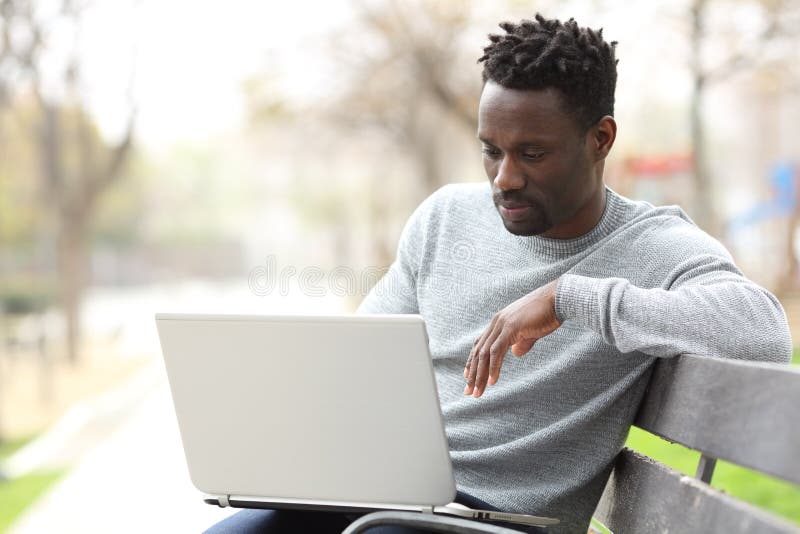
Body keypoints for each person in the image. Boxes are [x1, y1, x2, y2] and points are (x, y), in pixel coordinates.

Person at [206, 13, 792, 534]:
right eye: (491, 150)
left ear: (600, 139)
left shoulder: (656, 246)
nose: (503, 178)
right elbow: (364, 356)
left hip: (497, 520)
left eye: (532, 154)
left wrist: (571, 297)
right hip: (385, 494)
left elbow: (765, 332)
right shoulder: (444, 218)